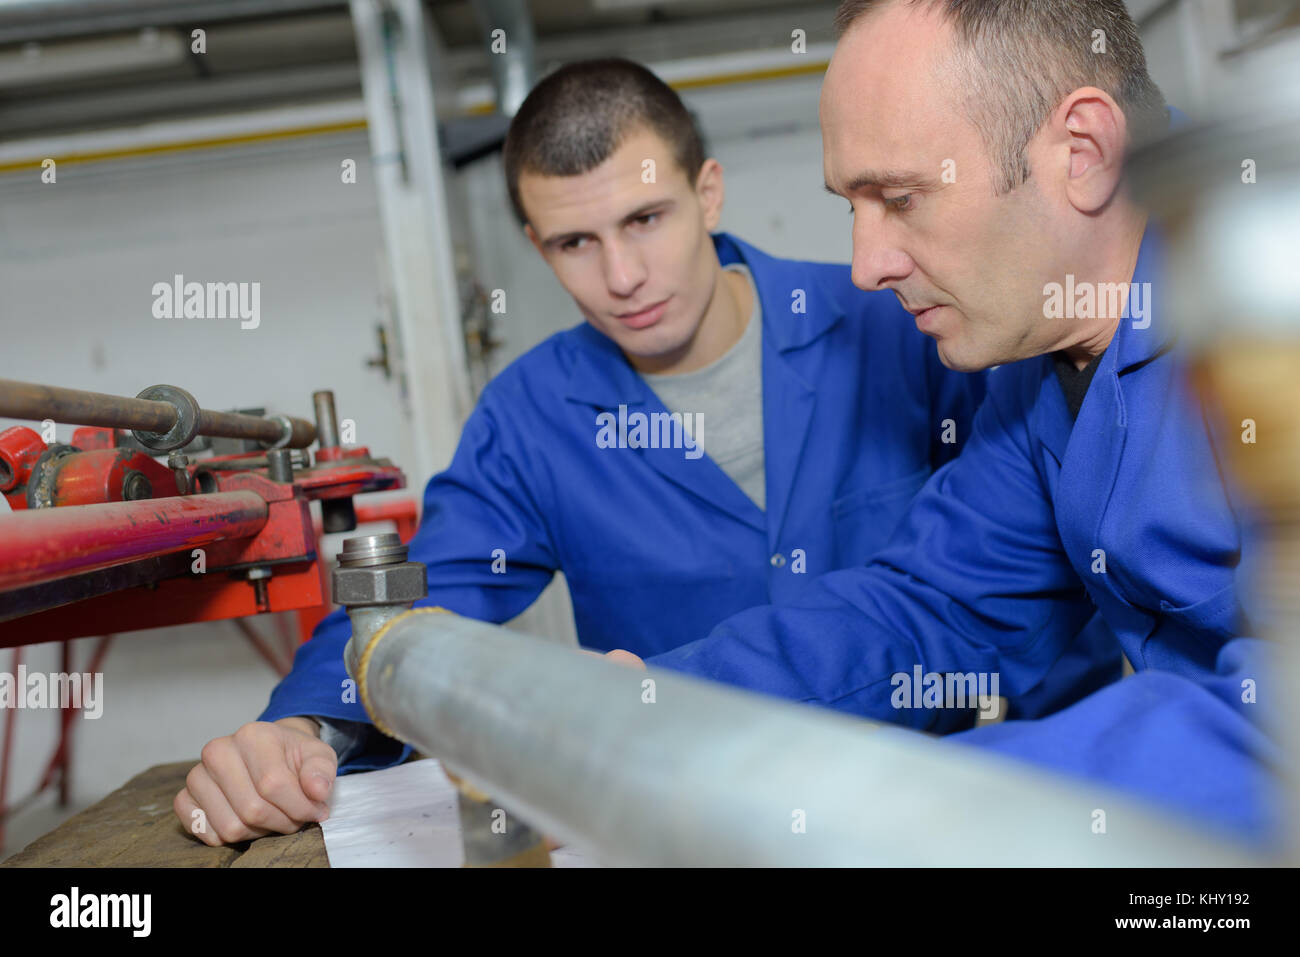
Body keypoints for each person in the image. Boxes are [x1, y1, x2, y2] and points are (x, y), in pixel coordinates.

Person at [172, 56, 1126, 847]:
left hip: (955, 811)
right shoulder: (531, 420)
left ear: (706, 191)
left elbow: (1005, 578)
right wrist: (299, 729)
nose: (622, 277)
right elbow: (418, 608)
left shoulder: (907, 324)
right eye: (575, 243)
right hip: (690, 832)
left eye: (644, 220)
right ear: (539, 251)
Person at [626, 1, 1276, 843]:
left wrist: (896, 807)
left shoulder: (1268, 317)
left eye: (900, 197)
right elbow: (942, 608)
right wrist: (659, 700)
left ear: (1082, 152)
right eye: (851, 207)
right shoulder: (1043, 353)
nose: (866, 267)